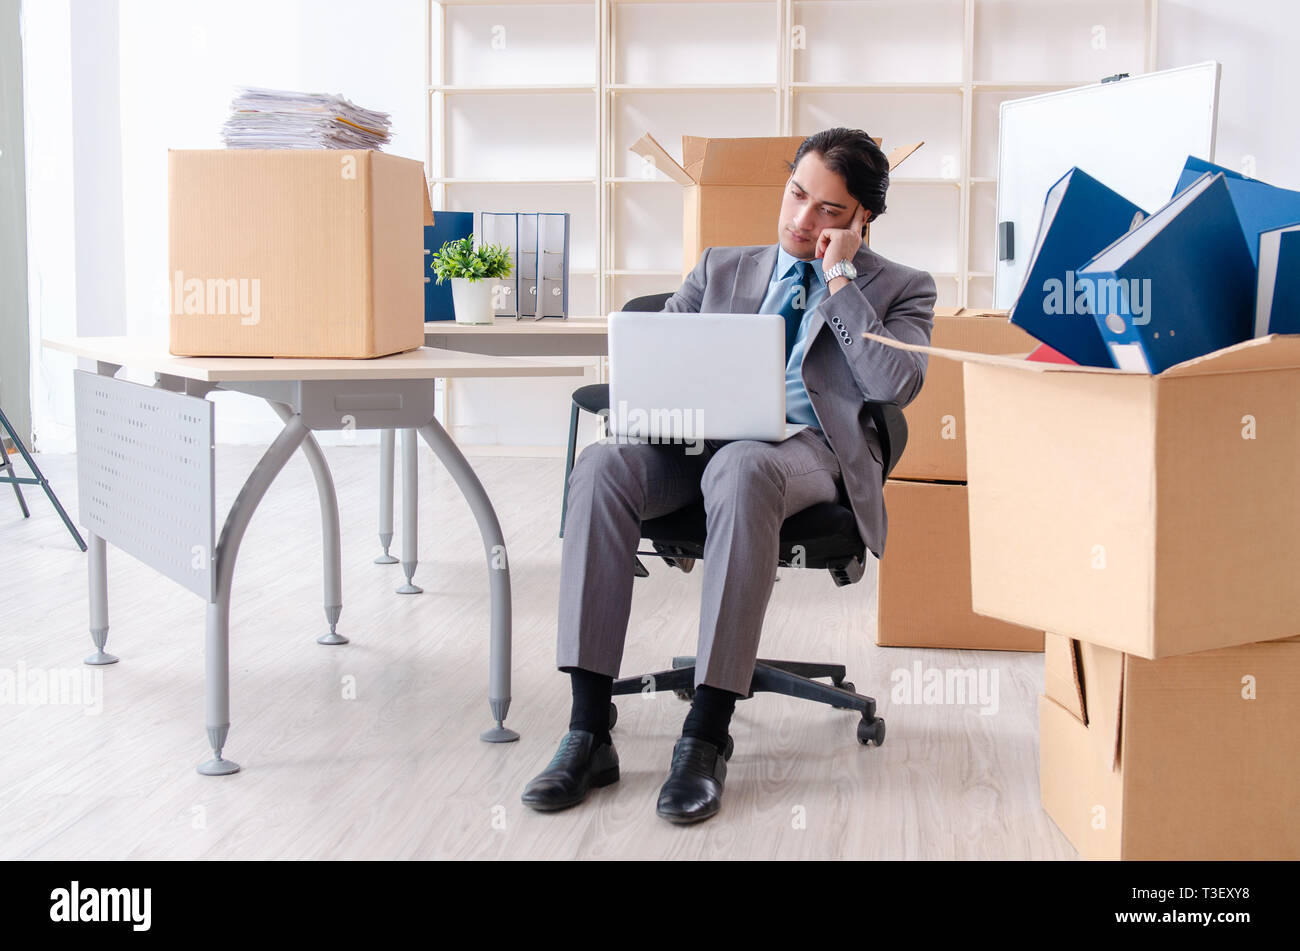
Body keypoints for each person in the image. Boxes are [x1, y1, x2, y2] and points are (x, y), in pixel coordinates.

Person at [522, 127, 937, 823]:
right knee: (600, 465)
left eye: (829, 211)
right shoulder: (720, 268)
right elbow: (655, 365)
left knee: (744, 466)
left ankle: (706, 735)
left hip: (806, 452)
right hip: (690, 448)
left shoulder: (902, 289)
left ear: (863, 219)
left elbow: (897, 379)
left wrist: (839, 280)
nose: (803, 220)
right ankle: (588, 728)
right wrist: (649, 407)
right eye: (798, 194)